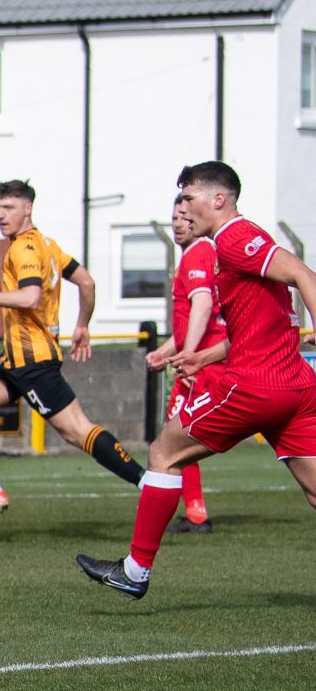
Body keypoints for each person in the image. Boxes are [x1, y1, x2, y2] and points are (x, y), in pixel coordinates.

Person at [78, 161, 316, 599]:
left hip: (256, 386)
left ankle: (135, 570)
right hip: (295, 386)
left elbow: (306, 276)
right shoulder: (235, 246)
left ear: (217, 199)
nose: (183, 208)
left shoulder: (234, 239)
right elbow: (254, 327)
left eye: (189, 198)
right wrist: (200, 355)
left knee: (163, 453)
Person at [0, 178, 143, 527]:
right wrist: (83, 324)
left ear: (28, 209)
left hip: (33, 362)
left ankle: (146, 483)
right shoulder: (48, 244)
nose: (1, 215)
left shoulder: (23, 249)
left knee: (77, 431)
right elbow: (87, 281)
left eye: (8, 207)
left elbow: (30, 297)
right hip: (13, 360)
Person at [145, 196, 228, 534]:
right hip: (200, 359)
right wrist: (168, 351)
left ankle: (194, 513)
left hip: (206, 364)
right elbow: (190, 320)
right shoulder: (199, 254)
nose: (178, 222)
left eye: (184, 215)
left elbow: (203, 306)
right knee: (176, 436)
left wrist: (188, 358)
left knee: (174, 438)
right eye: (174, 217)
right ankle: (194, 512)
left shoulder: (198, 253)